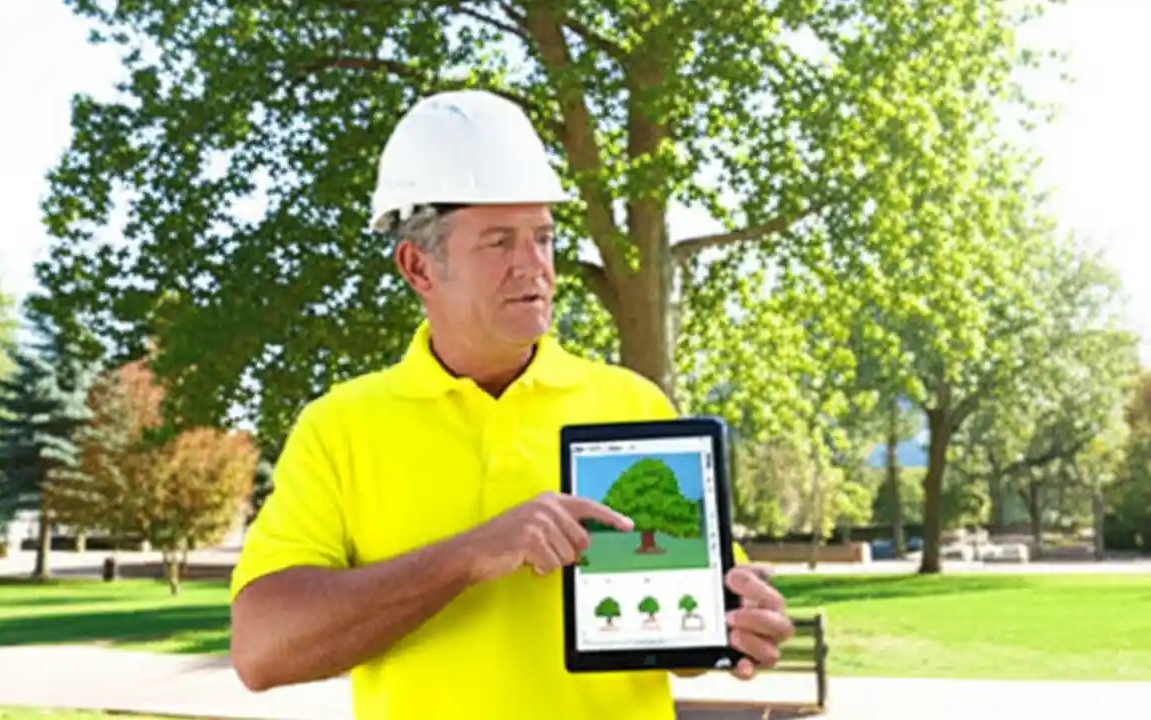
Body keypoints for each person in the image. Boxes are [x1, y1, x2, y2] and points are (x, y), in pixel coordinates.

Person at [229, 90, 794, 720]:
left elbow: (687, 632)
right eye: (499, 243)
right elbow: (262, 649)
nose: (534, 268)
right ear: (419, 267)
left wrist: (738, 620)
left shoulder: (629, 403)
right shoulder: (340, 427)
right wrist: (468, 557)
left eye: (543, 239)